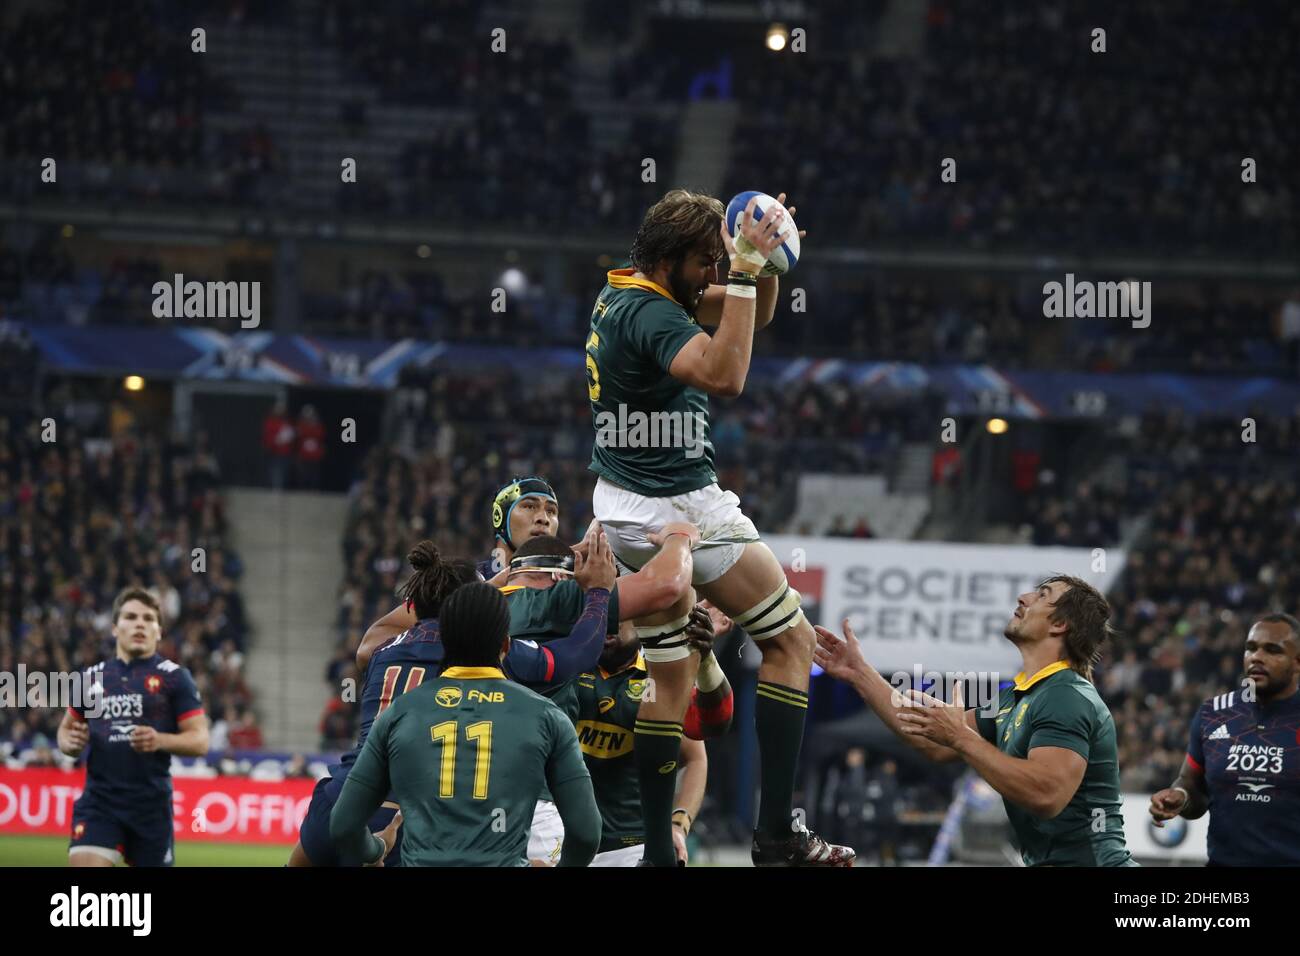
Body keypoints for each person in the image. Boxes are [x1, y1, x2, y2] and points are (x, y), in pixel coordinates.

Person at [584, 188, 851, 866]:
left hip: (621, 505)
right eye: (705, 261)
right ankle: (776, 835)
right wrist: (740, 271)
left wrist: (753, 265)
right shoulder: (651, 314)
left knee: (668, 685)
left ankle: (655, 853)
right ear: (673, 259)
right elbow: (727, 374)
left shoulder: (628, 292)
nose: (713, 272)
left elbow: (749, 319)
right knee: (792, 642)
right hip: (678, 509)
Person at [292, 537, 613, 866]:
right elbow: (575, 654)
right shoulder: (494, 662)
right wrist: (599, 592)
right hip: (417, 817)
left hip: (342, 795)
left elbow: (371, 642)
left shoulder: (383, 650)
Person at [815, 575, 1134, 867]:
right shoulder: (1017, 697)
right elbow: (931, 741)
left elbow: (1046, 795)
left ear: (1060, 624)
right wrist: (860, 674)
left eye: (1041, 595)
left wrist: (962, 738)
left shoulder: (1066, 695)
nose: (1024, 597)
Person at [553, 603, 734, 866]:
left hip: (632, 846)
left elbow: (697, 756)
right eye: (602, 613)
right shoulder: (566, 663)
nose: (609, 622)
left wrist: (678, 826)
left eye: (618, 614)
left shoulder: (660, 674)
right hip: (560, 838)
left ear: (641, 619)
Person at [57, 588, 210, 867]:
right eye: (130, 616)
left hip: (151, 809)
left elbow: (200, 741)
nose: (140, 623)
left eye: (149, 618)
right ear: (115, 628)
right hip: (100, 803)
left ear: (159, 631)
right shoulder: (90, 678)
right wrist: (71, 744)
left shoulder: (176, 678)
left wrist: (160, 740)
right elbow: (66, 731)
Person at [1148, 613, 1300, 866]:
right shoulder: (1214, 713)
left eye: (1272, 650)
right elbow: (1191, 783)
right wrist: (1181, 797)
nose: (1257, 657)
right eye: (1250, 648)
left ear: (1297, 662)